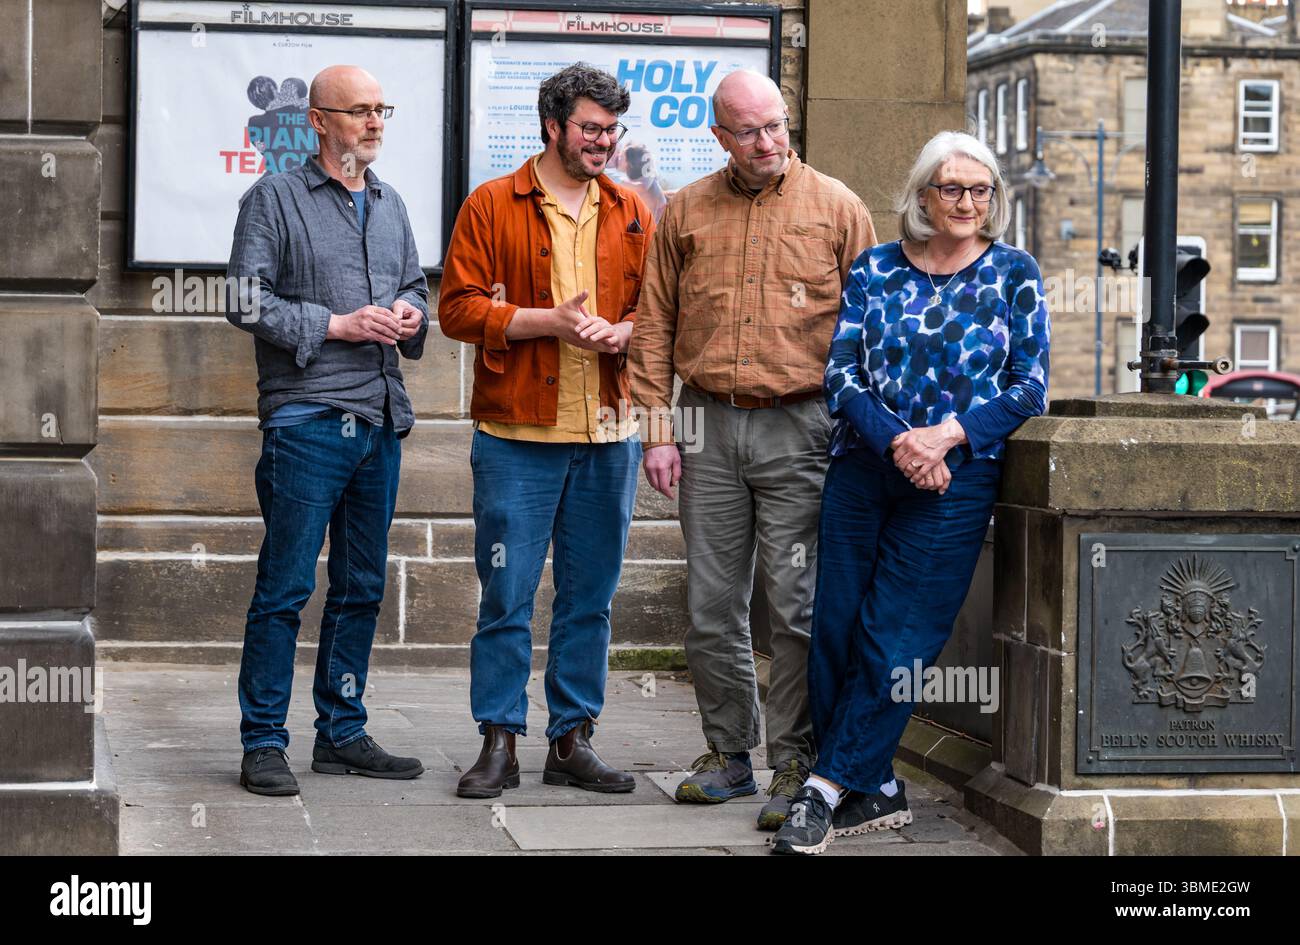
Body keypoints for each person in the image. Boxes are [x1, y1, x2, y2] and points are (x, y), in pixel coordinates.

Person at [771, 130, 1050, 854]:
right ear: (923, 194)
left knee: (895, 637)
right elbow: (840, 378)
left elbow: (1030, 386)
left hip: (955, 480)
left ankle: (824, 788)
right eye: (952, 188)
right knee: (833, 625)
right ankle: (872, 786)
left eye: (981, 189)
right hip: (866, 467)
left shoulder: (1014, 273)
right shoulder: (875, 268)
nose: (967, 201)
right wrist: (903, 440)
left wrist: (945, 437)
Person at [628, 69, 875, 830]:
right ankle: (728, 752)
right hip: (705, 423)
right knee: (710, 604)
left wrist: (858, 431)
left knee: (796, 606)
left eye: (776, 125)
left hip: (802, 426)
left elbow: (873, 330)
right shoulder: (688, 211)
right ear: (719, 136)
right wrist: (658, 431)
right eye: (749, 130)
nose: (767, 142)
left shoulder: (837, 207)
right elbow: (653, 323)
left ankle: (795, 760)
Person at [438, 63, 655, 798]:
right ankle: (499, 740)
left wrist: (622, 332)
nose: (603, 141)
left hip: (607, 434)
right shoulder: (492, 204)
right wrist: (544, 322)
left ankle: (572, 739)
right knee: (506, 593)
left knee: (590, 596)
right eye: (591, 128)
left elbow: (658, 318)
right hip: (515, 435)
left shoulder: (631, 210)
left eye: (611, 130)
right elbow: (457, 310)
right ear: (553, 126)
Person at [226, 65, 429, 796]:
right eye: (359, 112)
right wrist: (334, 324)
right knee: (284, 588)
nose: (374, 123)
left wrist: (411, 314)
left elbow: (413, 284)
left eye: (382, 110)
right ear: (318, 121)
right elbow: (244, 299)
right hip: (307, 420)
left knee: (361, 587)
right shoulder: (274, 198)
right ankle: (263, 742)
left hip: (378, 416)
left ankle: (341, 729)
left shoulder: (389, 202)